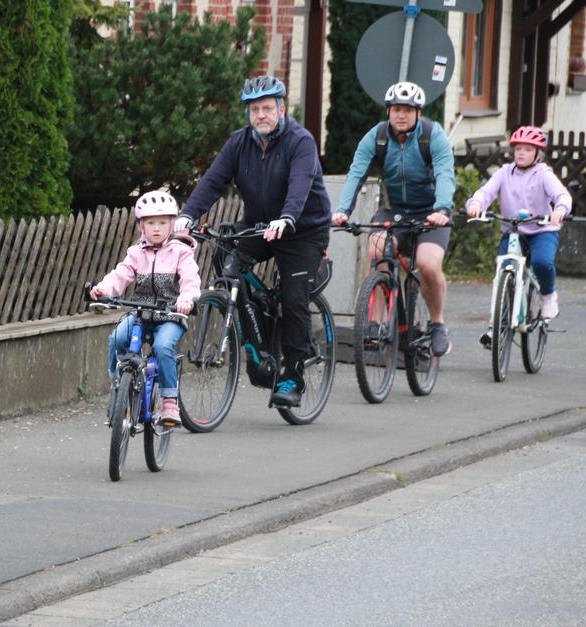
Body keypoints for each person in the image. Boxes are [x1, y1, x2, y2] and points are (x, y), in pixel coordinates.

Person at [178, 75, 332, 408]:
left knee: (293, 298)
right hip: (260, 226)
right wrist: (187, 216)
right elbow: (212, 181)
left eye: (266, 108)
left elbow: (300, 185)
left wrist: (288, 217)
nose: (260, 115)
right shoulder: (239, 143)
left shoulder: (300, 141)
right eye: (254, 109)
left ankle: (293, 374)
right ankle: (257, 341)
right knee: (225, 254)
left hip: (301, 231)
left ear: (281, 108)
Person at [332, 81, 455, 356]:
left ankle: (437, 324)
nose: (401, 115)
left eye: (408, 110)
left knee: (428, 264)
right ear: (388, 111)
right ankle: (375, 323)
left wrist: (442, 209)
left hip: (431, 213)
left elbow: (446, 173)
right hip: (395, 210)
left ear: (418, 113)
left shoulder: (431, 136)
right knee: (377, 250)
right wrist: (343, 211)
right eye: (396, 109)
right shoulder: (376, 137)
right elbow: (356, 173)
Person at [91, 190, 201, 427]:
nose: (157, 228)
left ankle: (169, 401)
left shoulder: (181, 252)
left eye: (162, 223)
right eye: (151, 223)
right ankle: (120, 388)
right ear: (142, 226)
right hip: (141, 313)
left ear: (171, 224)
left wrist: (186, 299)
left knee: (162, 347)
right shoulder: (136, 253)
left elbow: (191, 281)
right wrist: (103, 289)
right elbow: (120, 275)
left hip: (171, 315)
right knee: (118, 338)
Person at [466, 125, 571, 343]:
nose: (521, 153)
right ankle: (496, 325)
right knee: (503, 272)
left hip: (542, 230)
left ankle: (548, 295)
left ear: (538, 154)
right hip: (513, 230)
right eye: (518, 149)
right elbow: (487, 191)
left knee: (542, 262)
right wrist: (476, 204)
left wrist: (560, 209)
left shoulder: (543, 174)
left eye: (528, 149)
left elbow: (561, 194)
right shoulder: (504, 172)